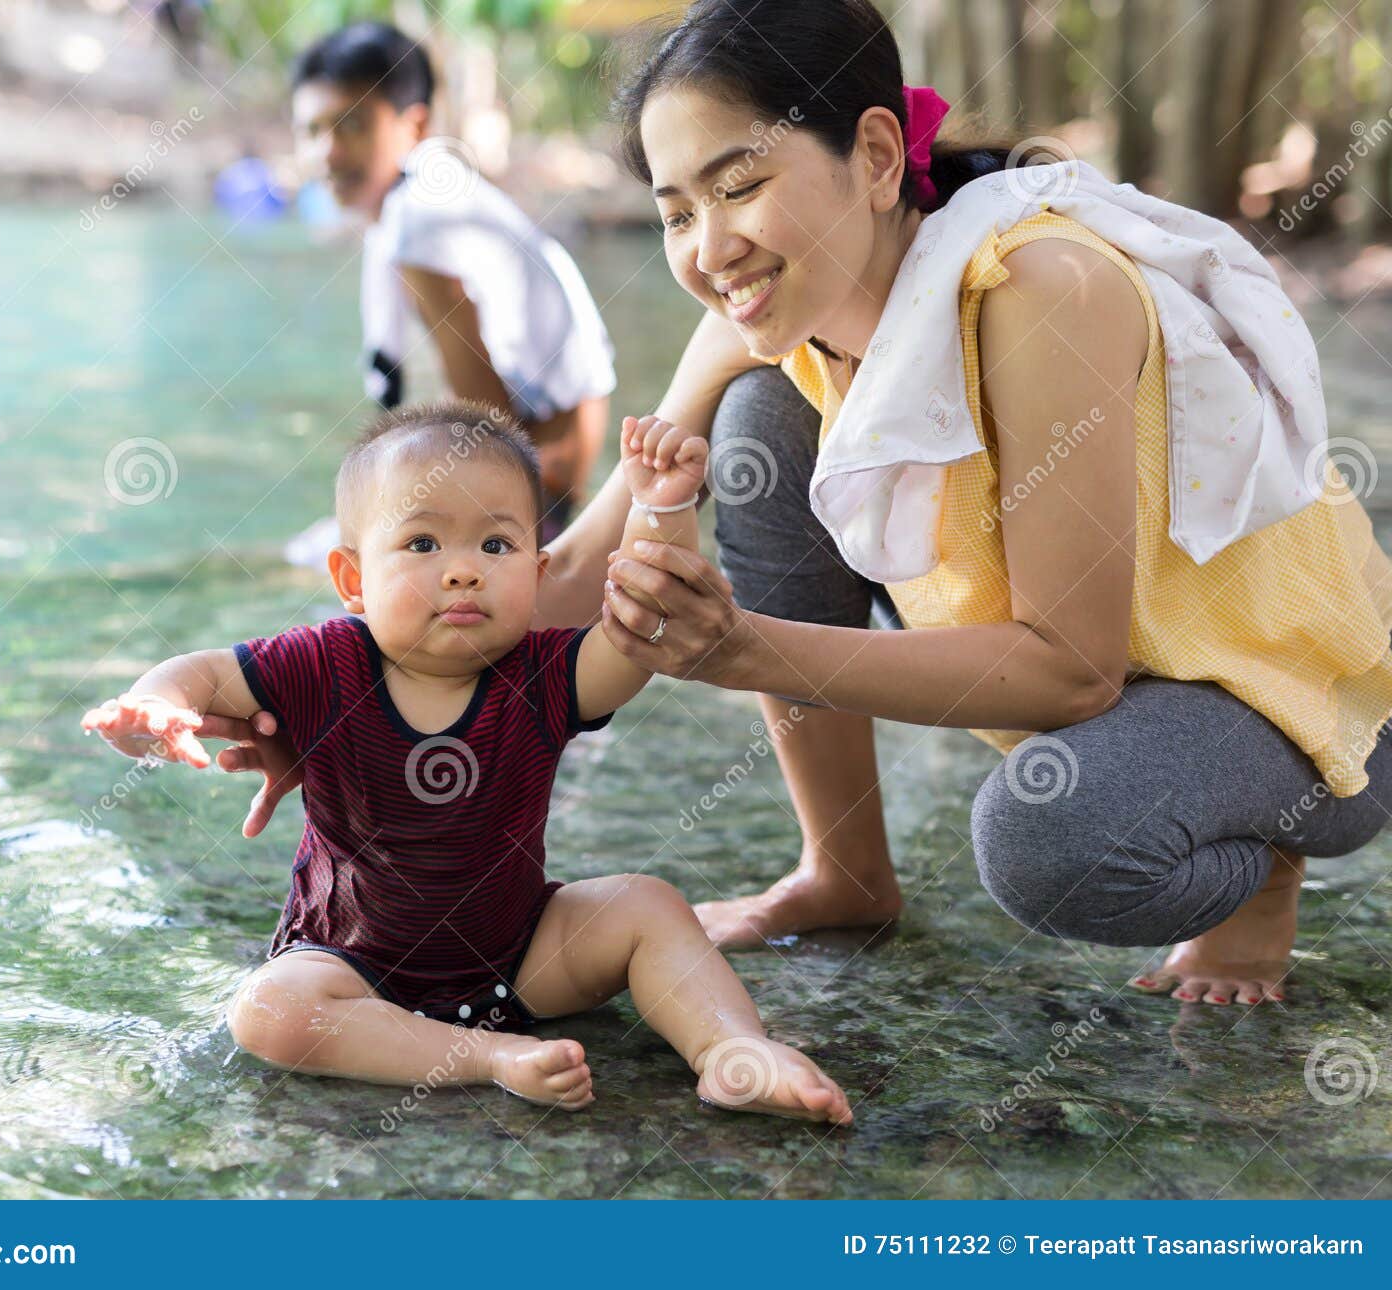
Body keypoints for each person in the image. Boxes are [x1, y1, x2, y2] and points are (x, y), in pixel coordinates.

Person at [215, 0, 1392, 1012]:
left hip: (1293, 703)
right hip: (1124, 693)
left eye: (741, 184)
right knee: (760, 430)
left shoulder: (1040, 290)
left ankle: (1263, 856)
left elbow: (1071, 673)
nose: (706, 244)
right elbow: (570, 572)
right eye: (677, 209)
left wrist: (743, 649)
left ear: (878, 156)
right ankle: (843, 872)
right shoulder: (767, 313)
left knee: (1048, 844)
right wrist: (328, 697)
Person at [82, 400, 851, 1124]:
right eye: (422, 543)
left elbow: (646, 631)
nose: (463, 570)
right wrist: (158, 703)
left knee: (646, 905)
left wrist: (663, 507)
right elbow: (206, 672)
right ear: (352, 579)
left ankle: (730, 1048)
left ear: (540, 574)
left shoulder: (543, 674)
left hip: (516, 958)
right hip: (355, 965)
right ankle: (489, 1058)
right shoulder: (324, 663)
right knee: (269, 1012)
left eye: (496, 545)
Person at [289, 21, 614, 550]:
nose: (328, 152)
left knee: (317, 565)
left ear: (413, 127)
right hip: (532, 489)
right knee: (313, 554)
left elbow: (486, 429)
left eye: (350, 126)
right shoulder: (428, 200)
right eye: (311, 130)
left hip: (528, 505)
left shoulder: (420, 225)